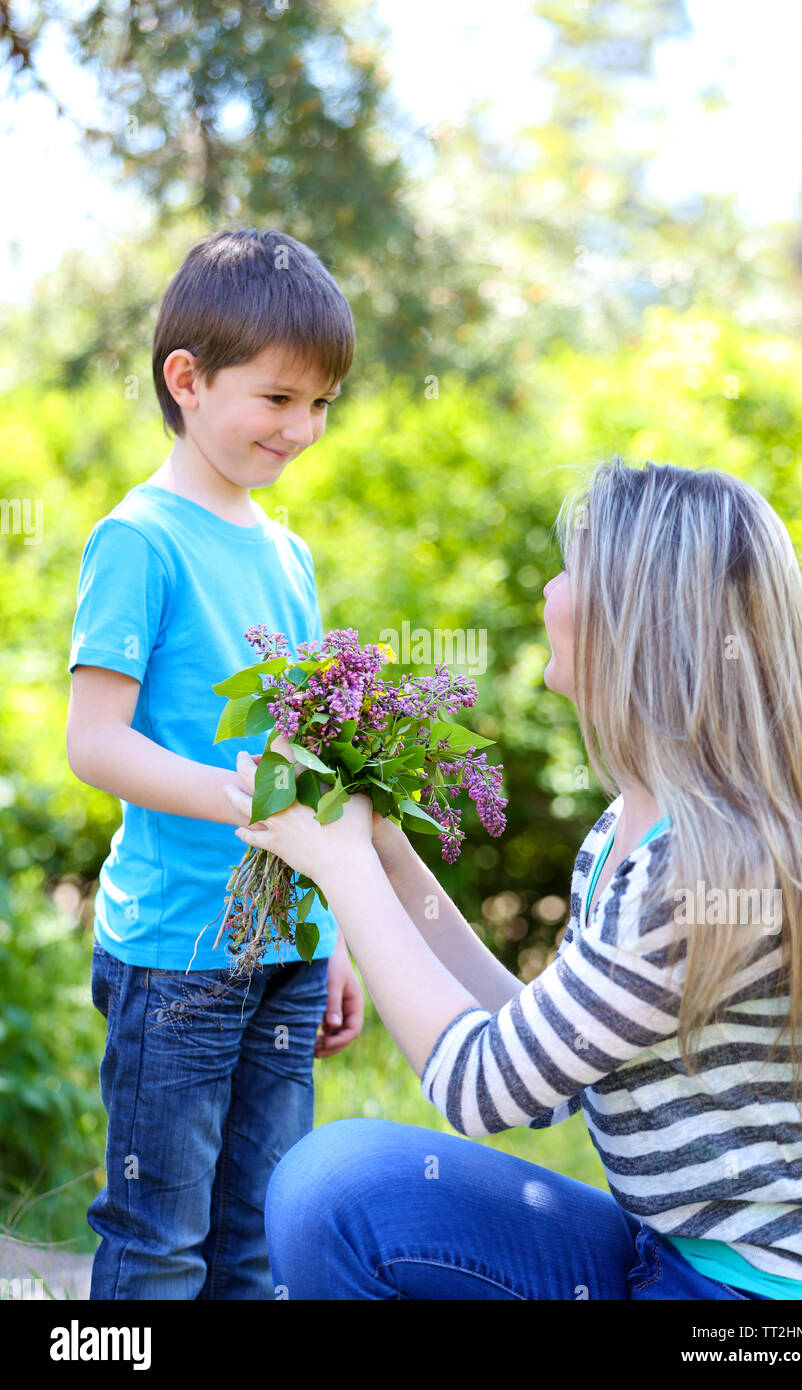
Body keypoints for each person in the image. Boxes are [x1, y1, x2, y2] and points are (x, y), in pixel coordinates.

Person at [223, 457, 802, 1301]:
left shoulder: (710, 866)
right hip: (657, 1250)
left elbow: (481, 1089)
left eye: (572, 569)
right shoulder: (635, 824)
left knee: (336, 1189)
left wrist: (342, 868)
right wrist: (387, 853)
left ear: (635, 618)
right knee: (337, 1186)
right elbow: (539, 1066)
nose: (551, 589)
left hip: (753, 1303)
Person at [65, 226, 364, 1300]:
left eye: (320, 403)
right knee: (158, 1244)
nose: (302, 428)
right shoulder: (139, 538)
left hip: (284, 940)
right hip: (180, 955)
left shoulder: (288, 556)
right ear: (185, 380)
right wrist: (238, 800)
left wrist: (330, 931)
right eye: (278, 398)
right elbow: (93, 741)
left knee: (259, 1243)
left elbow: (308, 755)